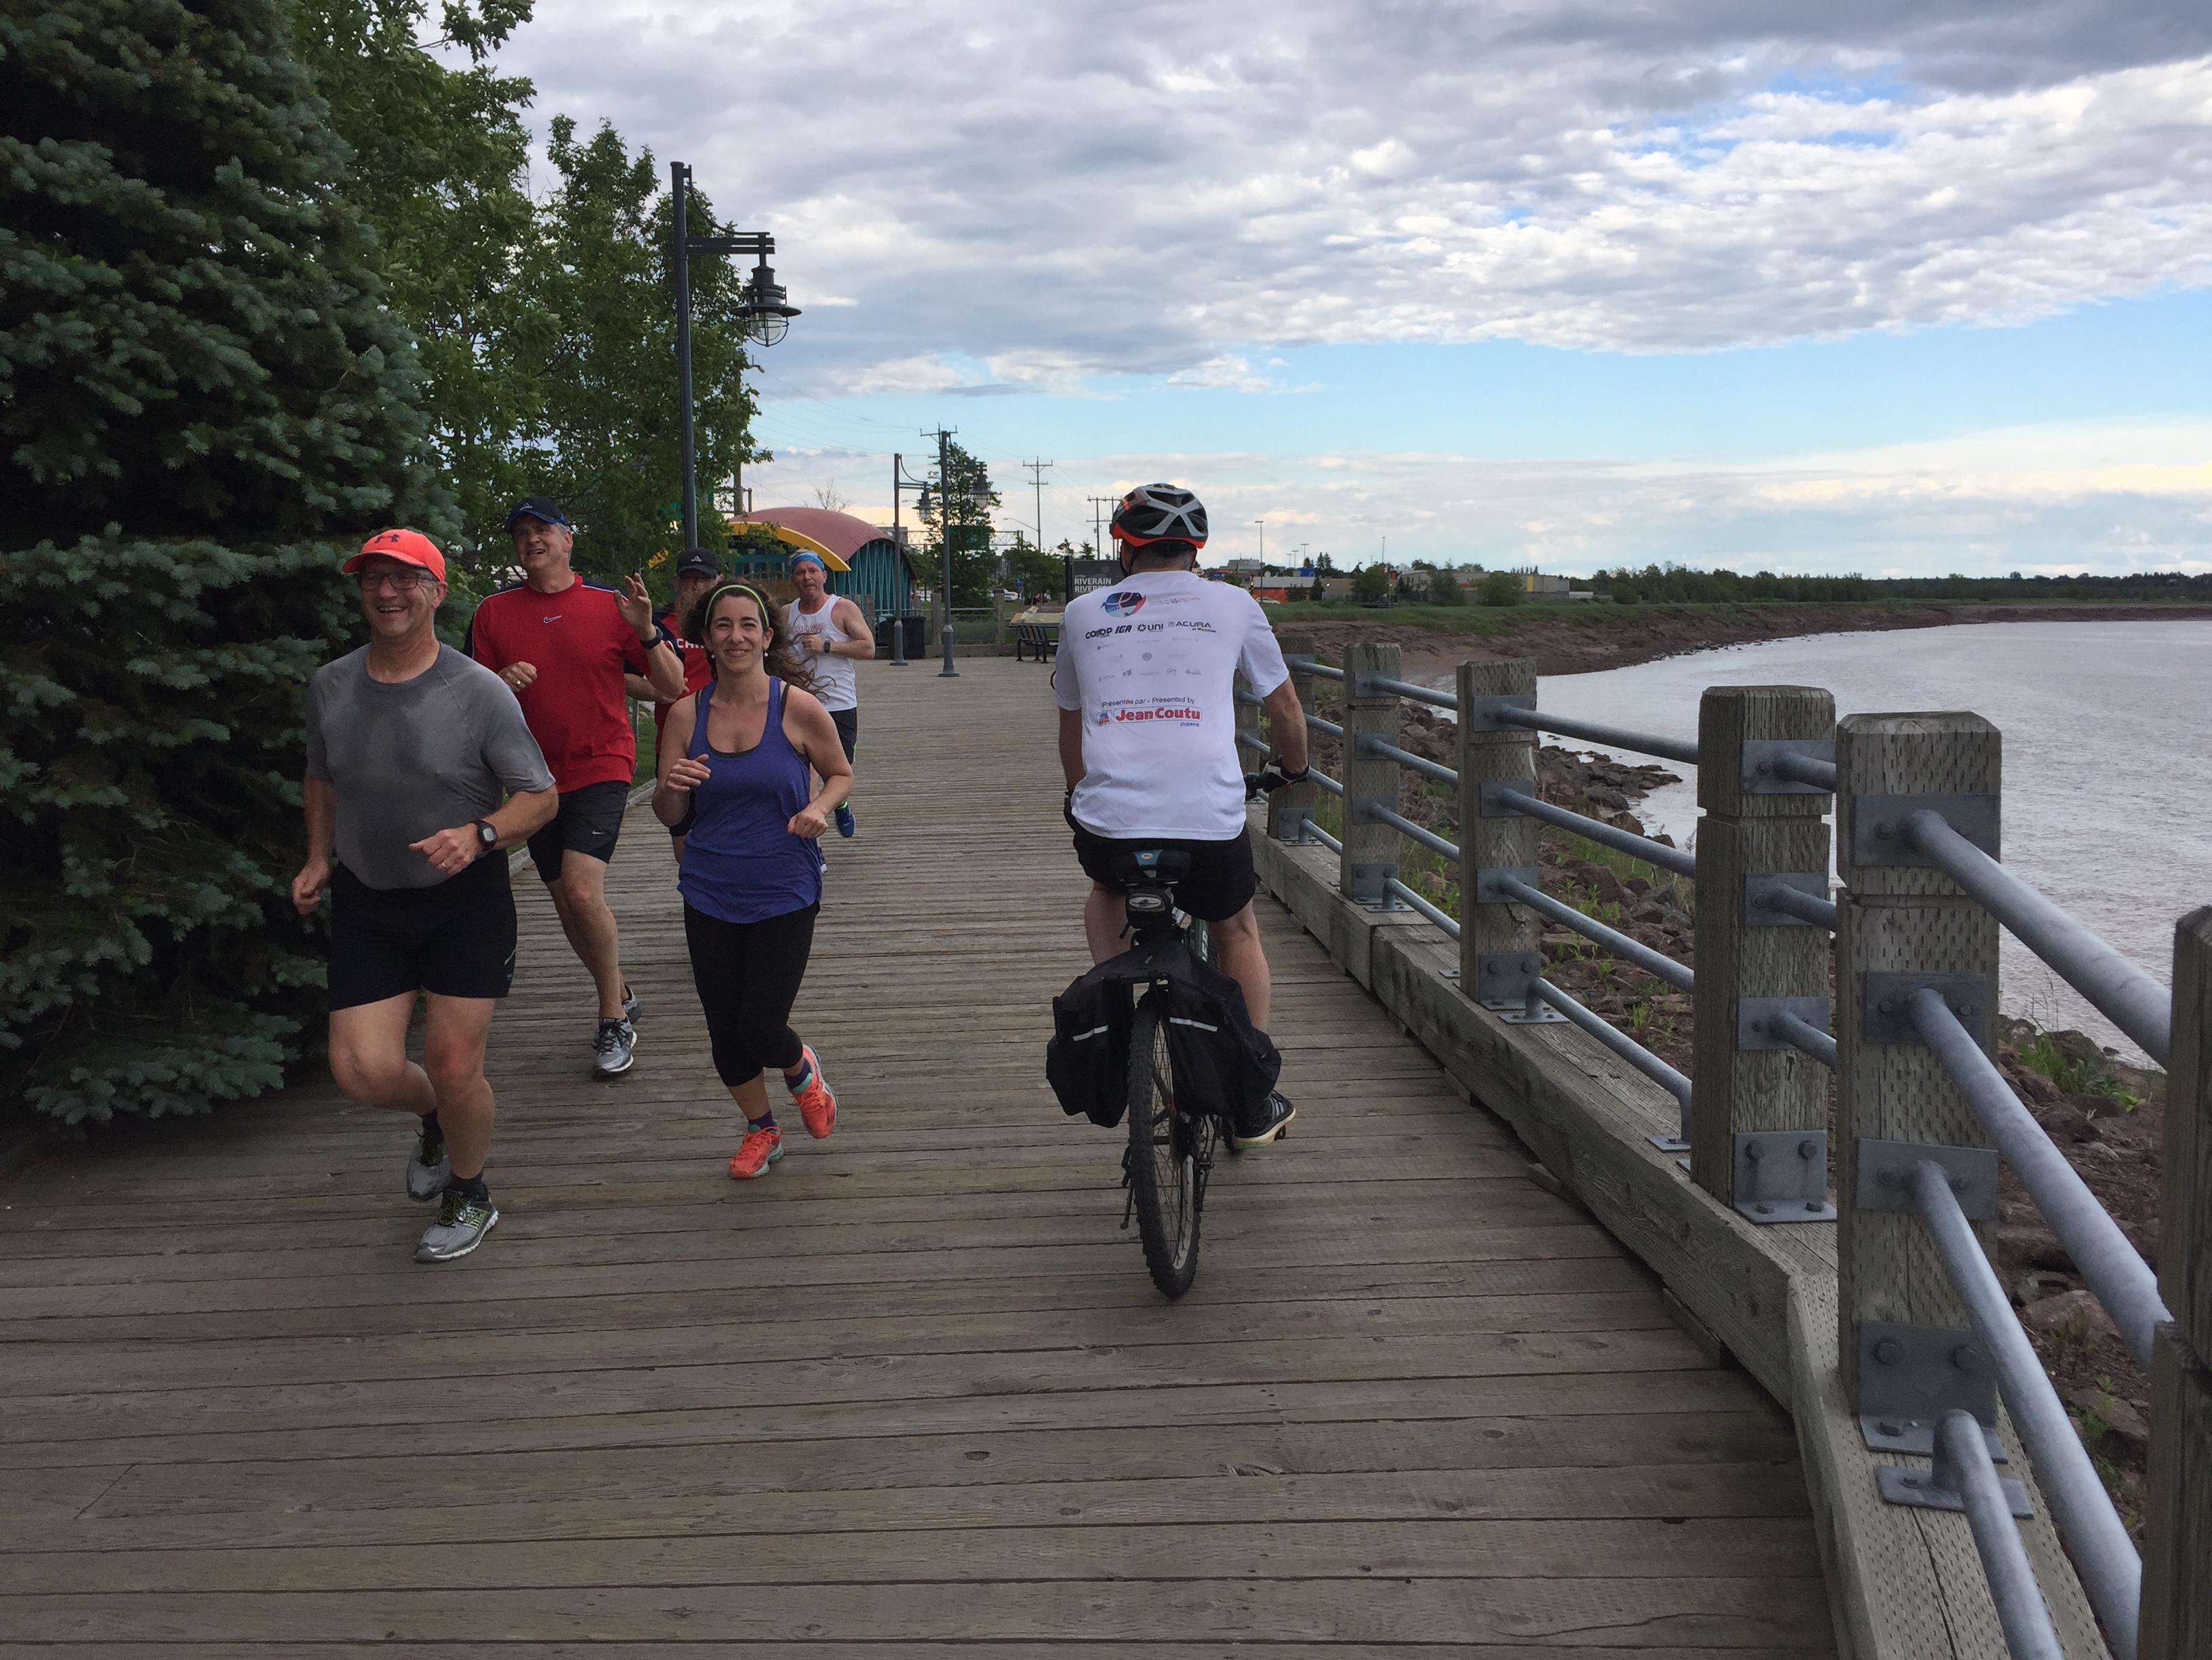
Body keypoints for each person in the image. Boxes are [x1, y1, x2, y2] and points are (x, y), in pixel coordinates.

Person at [294, 528, 559, 1262]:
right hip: (370, 899)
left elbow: (540, 797)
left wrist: (479, 833)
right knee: (361, 1072)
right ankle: (438, 1122)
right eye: (374, 579)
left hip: (462, 900)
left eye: (406, 580)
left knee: (452, 1061)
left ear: (437, 594)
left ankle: (470, 1194)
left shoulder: (478, 692)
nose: (387, 593)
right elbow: (322, 775)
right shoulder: (331, 685)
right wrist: (318, 856)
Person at [1053, 483, 1306, 1147]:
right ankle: (1250, 1098)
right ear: (1197, 548)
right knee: (1236, 929)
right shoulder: (1234, 604)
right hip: (1206, 822)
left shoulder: (1082, 613)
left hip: (1111, 823)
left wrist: (1079, 798)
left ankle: (1112, 1011)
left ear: (1122, 546)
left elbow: (1070, 726)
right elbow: (1283, 711)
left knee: (1107, 889)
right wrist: (1296, 773)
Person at [466, 497, 685, 1077]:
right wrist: (497, 682)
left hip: (602, 764)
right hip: (532, 779)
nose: (531, 540)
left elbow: (670, 687)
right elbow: (468, 702)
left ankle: (611, 1019)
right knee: (565, 901)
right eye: (521, 533)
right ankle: (621, 987)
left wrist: (647, 634)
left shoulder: (612, 605)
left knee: (584, 892)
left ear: (568, 540)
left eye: (543, 530)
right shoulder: (493, 613)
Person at [653, 581, 852, 1180]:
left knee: (760, 1024)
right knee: (723, 1028)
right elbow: (670, 816)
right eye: (722, 626)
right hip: (709, 886)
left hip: (783, 885)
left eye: (747, 625)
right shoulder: (686, 713)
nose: (734, 636)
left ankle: (801, 1071)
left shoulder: (796, 707)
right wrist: (668, 788)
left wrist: (820, 806)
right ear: (706, 638)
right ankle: (762, 1130)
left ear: (767, 636)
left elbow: (840, 773)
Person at [627, 545, 720, 859]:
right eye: (688, 579)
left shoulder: (729, 625)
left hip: (728, 738)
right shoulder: (658, 624)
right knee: (684, 841)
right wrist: (657, 692)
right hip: (675, 742)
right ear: (676, 583)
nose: (695, 586)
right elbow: (624, 676)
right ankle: (696, 900)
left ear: (718, 581)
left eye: (703, 579)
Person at [780, 549, 873, 837]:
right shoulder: (786, 614)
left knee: (837, 773)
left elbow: (868, 648)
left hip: (839, 704)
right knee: (803, 779)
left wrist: (827, 646)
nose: (807, 577)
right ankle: (812, 850)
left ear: (824, 575)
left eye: (812, 571)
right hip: (800, 706)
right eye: (800, 572)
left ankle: (840, 803)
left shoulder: (842, 609)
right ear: (793, 579)